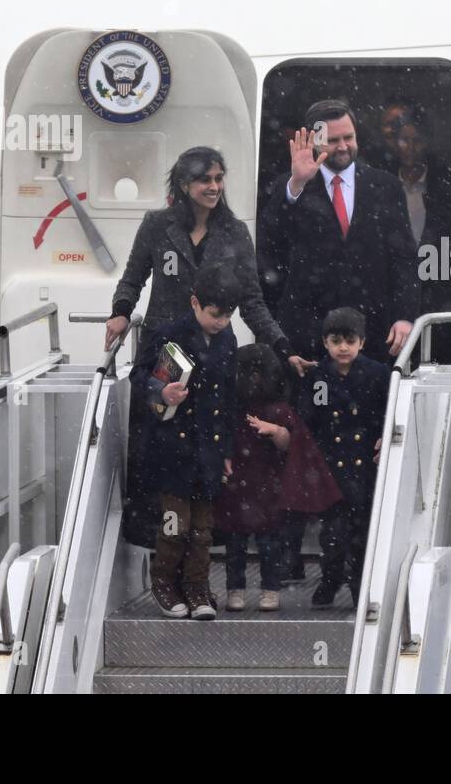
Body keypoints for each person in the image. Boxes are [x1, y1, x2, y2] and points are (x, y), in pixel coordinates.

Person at [104, 146, 313, 547]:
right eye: (205, 179)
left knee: (208, 444)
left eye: (219, 178)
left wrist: (282, 346)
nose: (214, 187)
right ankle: (156, 544)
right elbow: (133, 278)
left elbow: (252, 301)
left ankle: (206, 545)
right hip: (165, 351)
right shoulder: (156, 225)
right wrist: (120, 312)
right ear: (184, 184)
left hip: (214, 353)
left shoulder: (235, 232)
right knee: (159, 446)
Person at [258, 99, 420, 363]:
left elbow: (404, 260)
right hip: (308, 333)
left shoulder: (385, 186)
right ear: (313, 140)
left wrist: (404, 317)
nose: (344, 146)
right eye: (334, 140)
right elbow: (270, 243)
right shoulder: (290, 186)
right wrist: (296, 184)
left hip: (374, 332)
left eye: (349, 137)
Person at [130, 265, 240, 620]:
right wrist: (161, 390)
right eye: (215, 314)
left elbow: (228, 398)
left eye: (228, 315)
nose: (221, 322)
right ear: (195, 303)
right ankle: (164, 581)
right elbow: (138, 374)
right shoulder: (168, 333)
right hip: (172, 448)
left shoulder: (227, 340)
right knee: (174, 523)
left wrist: (226, 450)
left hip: (208, 445)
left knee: (203, 529)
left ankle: (197, 586)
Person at [214, 343, 342, 613]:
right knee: (236, 545)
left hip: (262, 488)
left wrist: (275, 431)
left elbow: (292, 443)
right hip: (243, 487)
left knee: (267, 546)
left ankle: (268, 589)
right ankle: (235, 589)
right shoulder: (234, 408)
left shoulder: (278, 410)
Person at [300, 307, 390, 607]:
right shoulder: (318, 377)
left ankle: (360, 588)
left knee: (363, 533)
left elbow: (387, 415)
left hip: (366, 466)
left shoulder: (379, 374)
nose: (343, 347)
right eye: (336, 340)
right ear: (325, 343)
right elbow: (309, 420)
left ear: (362, 342)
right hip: (332, 467)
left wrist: (383, 438)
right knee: (333, 534)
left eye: (350, 341)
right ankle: (331, 577)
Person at [378, 98, 451, 364]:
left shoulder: (447, 187)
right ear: (395, 144)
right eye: (405, 141)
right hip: (392, 291)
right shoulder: (382, 185)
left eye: (417, 141)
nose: (411, 148)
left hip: (437, 287)